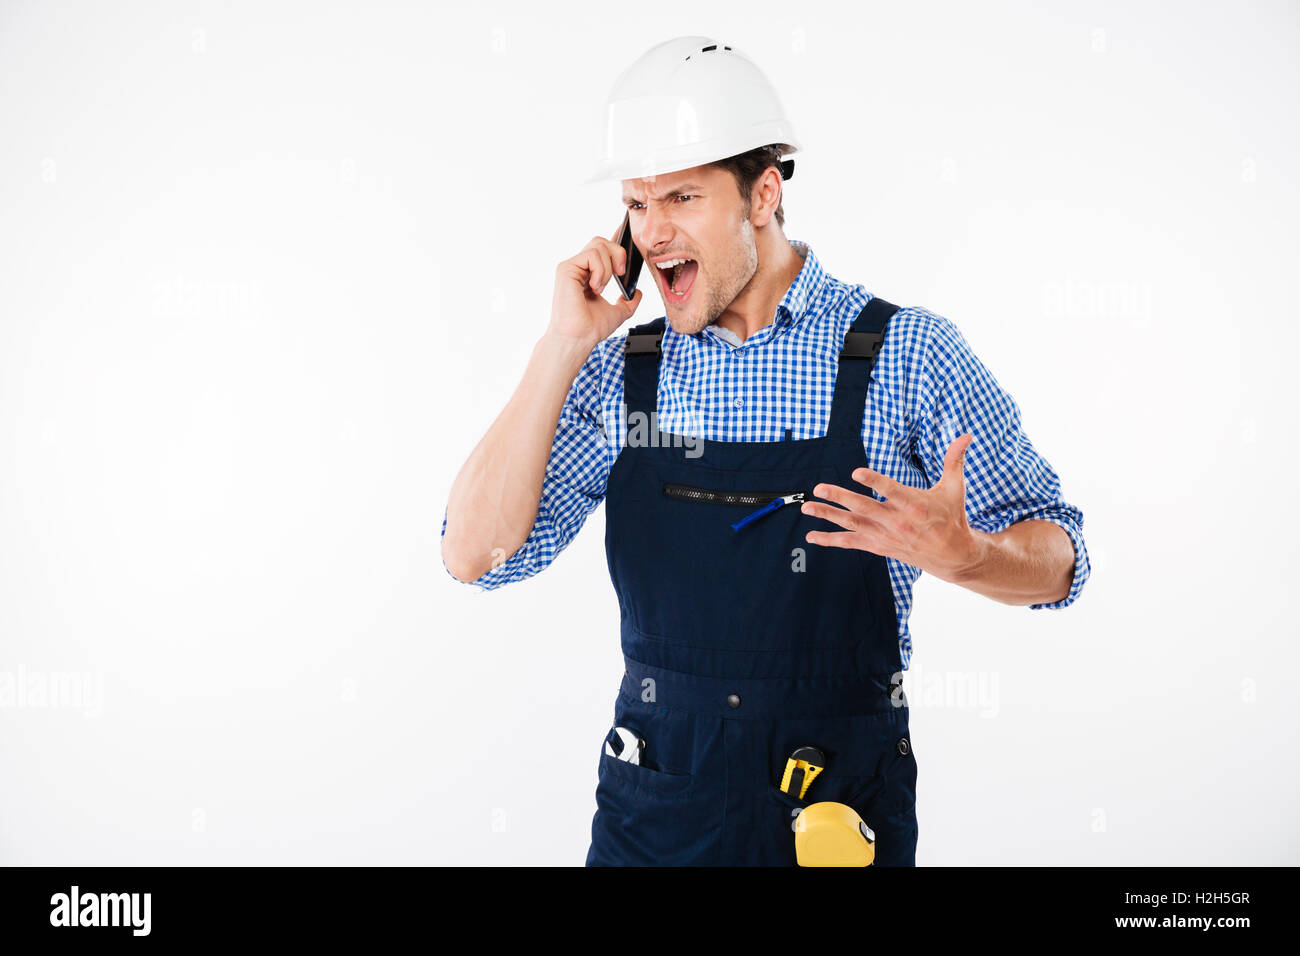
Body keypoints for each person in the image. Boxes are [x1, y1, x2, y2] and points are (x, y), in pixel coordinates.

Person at [440, 36, 1089, 866]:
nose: (654, 231)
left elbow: (1064, 559)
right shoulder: (622, 373)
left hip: (834, 814)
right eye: (638, 205)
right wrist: (559, 347)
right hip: (657, 813)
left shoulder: (906, 354)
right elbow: (474, 554)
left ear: (763, 195)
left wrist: (968, 556)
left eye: (681, 196)